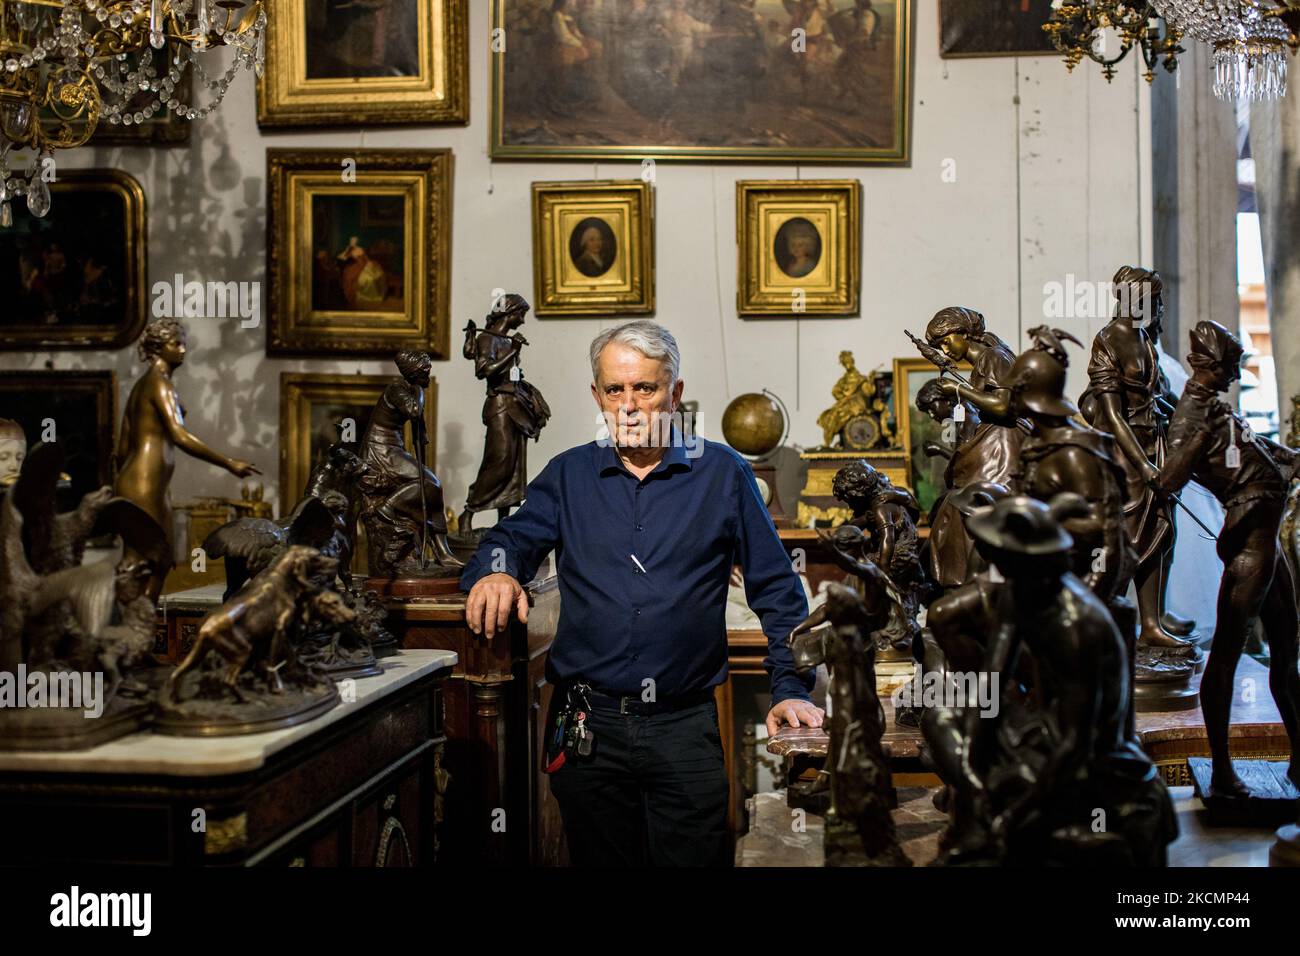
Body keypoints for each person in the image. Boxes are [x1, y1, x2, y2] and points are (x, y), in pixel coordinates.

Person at [460, 321, 821, 866]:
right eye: (615, 390)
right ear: (597, 396)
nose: (629, 405)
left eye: (645, 389)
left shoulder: (721, 472)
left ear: (674, 392)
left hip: (684, 728)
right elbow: (505, 542)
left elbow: (777, 588)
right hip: (587, 729)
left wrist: (790, 688)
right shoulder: (568, 475)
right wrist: (497, 572)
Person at [1152, 321, 1300, 796]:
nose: (1236, 375)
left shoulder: (1214, 408)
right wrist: (1195, 447)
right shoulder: (1191, 418)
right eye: (1232, 367)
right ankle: (1222, 772)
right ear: (1208, 366)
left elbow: (1263, 456)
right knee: (1226, 660)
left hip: (1269, 542)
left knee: (1286, 655)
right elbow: (1167, 481)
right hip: (1249, 548)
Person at [1080, 266, 1195, 648]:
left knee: (1162, 533)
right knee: (1128, 538)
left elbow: (1156, 394)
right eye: (1156, 299)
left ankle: (1152, 620)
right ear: (1138, 299)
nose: (1160, 306)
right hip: (1126, 455)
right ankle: (1108, 621)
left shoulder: (1144, 337)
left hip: (1155, 446)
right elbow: (1112, 414)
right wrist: (1144, 466)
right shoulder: (1108, 340)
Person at [114, 319, 260, 597]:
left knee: (156, 558)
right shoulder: (160, 385)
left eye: (184, 343)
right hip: (143, 482)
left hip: (141, 483)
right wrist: (229, 463)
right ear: (158, 348)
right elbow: (179, 435)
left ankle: (134, 620)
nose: (183, 349)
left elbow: (123, 447)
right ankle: (133, 623)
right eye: (176, 343)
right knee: (147, 560)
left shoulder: (142, 387)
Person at [459, 294, 552, 533]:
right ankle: (468, 512)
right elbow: (484, 371)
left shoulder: (505, 340)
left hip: (515, 407)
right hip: (499, 405)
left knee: (514, 464)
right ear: (509, 313)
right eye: (520, 314)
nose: (522, 320)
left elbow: (511, 373)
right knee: (498, 461)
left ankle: (503, 523)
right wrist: (513, 351)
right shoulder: (488, 339)